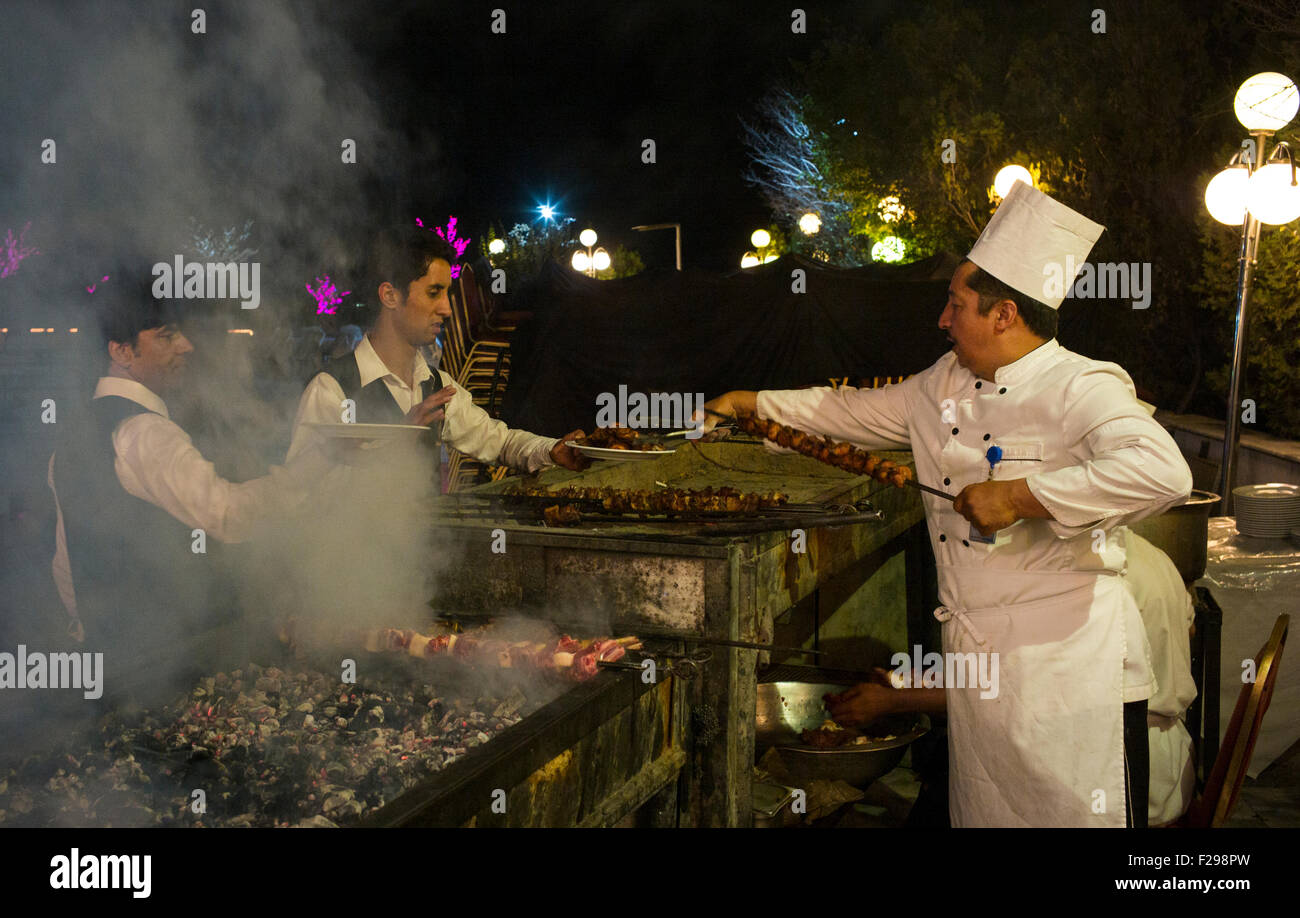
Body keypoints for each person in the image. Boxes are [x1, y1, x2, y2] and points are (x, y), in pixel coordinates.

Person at [701, 183, 1193, 827]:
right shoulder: (943, 383)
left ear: (1004, 314)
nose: (942, 319)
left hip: (1068, 677)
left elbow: (1163, 472)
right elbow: (846, 411)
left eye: (955, 304)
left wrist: (1021, 496)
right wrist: (749, 403)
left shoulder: (1082, 384)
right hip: (978, 666)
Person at [47, 278, 332, 696]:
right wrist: (320, 463)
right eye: (166, 336)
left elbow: (64, 565)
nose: (187, 346)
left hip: (109, 667)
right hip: (164, 673)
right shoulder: (145, 432)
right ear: (121, 351)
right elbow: (229, 515)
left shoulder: (72, 435)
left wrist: (91, 633)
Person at [828, 529, 1197, 827]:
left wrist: (893, 701)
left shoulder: (1084, 578)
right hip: (1168, 761)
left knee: (951, 785)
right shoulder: (1152, 554)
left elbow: (1011, 689)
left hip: (1118, 773)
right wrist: (909, 683)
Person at [286, 225, 588, 475]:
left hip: (426, 549)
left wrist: (552, 450)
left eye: (448, 293)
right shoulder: (332, 389)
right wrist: (399, 439)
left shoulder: (435, 384)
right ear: (390, 295)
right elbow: (300, 490)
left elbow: (499, 442)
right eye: (434, 293)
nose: (446, 309)